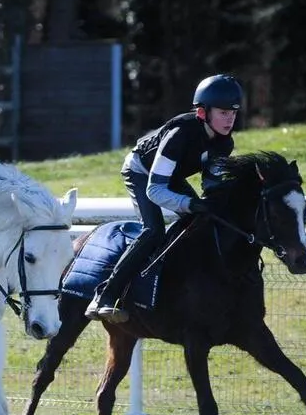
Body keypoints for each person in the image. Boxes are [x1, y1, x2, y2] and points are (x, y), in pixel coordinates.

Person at [85, 73, 244, 324]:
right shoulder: (179, 135)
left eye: (233, 113)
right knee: (154, 230)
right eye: (223, 113)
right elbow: (155, 191)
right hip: (141, 172)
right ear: (203, 113)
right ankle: (105, 295)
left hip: (171, 176)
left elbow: (212, 186)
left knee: (204, 221)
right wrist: (189, 204)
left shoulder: (224, 143)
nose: (229, 119)